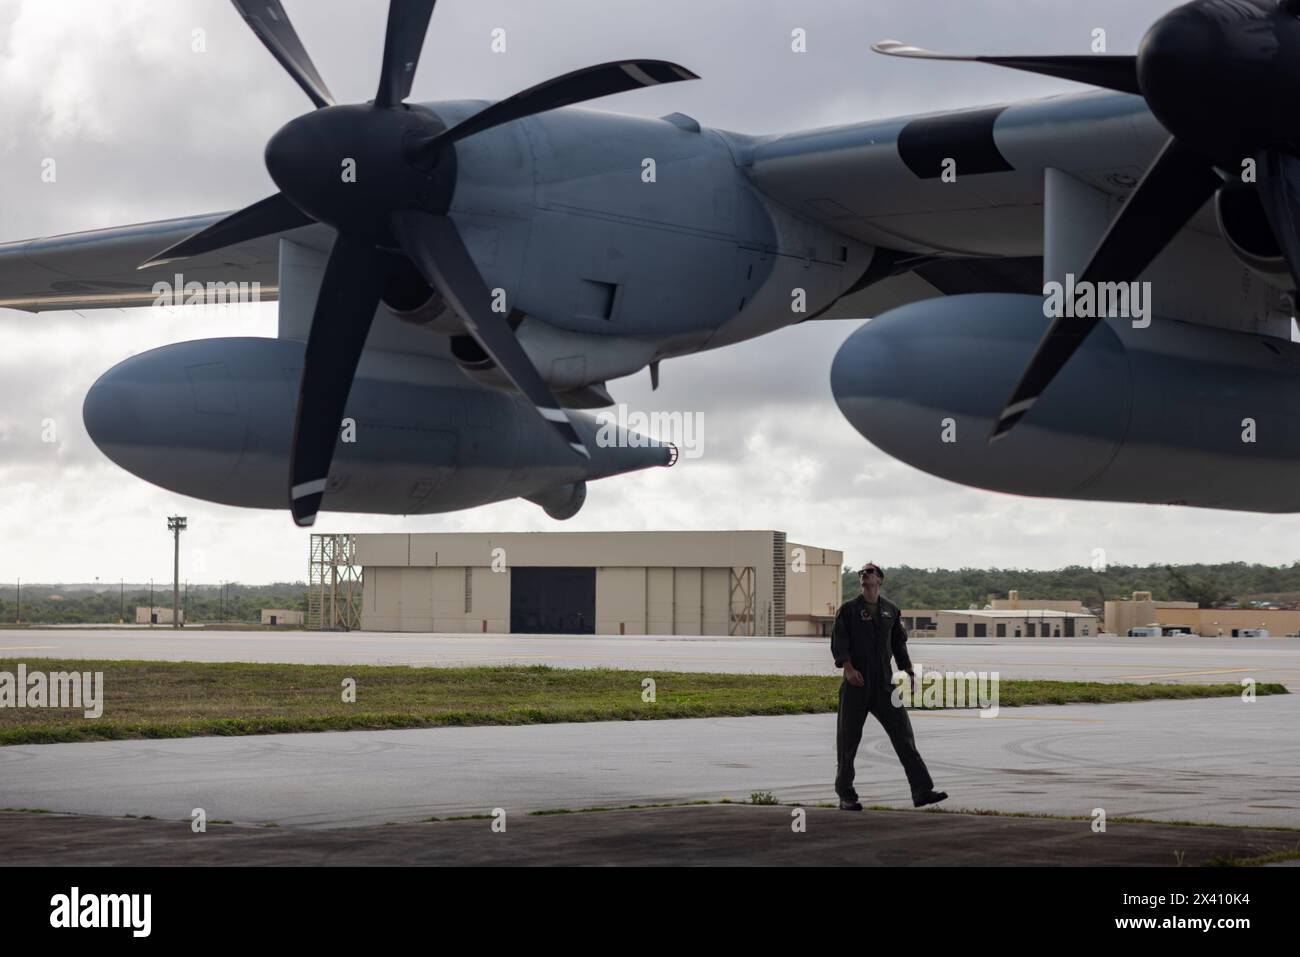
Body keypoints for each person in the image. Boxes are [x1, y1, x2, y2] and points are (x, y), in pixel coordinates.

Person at [831, 562, 947, 811]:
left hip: (884, 682)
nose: (864, 575)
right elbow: (840, 643)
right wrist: (848, 670)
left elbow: (898, 644)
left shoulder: (890, 610)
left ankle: (922, 790)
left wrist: (909, 671)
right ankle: (846, 795)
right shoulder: (848, 610)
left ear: (880, 579)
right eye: (861, 573)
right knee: (848, 741)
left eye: (869, 572)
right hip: (856, 683)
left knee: (904, 736)